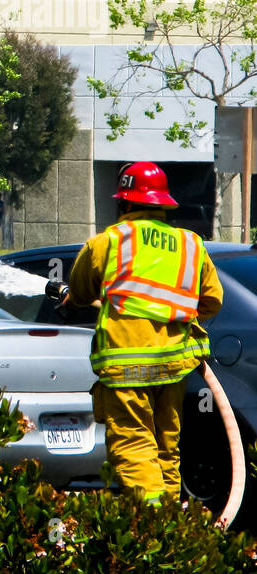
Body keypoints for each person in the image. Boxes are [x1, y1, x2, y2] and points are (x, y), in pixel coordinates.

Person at [63, 161, 222, 504]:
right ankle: (172, 530)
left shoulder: (107, 243)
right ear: (162, 203)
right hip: (174, 366)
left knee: (134, 446)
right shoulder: (191, 244)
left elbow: (77, 294)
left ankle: (152, 524)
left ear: (124, 203)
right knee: (166, 449)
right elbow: (212, 300)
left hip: (127, 368)